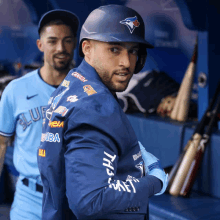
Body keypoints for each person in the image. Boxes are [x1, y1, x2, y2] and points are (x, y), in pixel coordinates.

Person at [38, 4, 168, 220]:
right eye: (114, 49)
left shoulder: (73, 82)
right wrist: (154, 182)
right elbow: (91, 202)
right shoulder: (97, 106)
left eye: (133, 51)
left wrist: (126, 152)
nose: (126, 63)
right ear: (87, 49)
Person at [0, 9, 79, 220]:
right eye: (52, 41)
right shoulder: (15, 90)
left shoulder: (87, 91)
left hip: (74, 201)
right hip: (29, 199)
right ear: (40, 45)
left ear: (75, 44)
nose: (61, 48)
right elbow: (1, 144)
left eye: (67, 40)